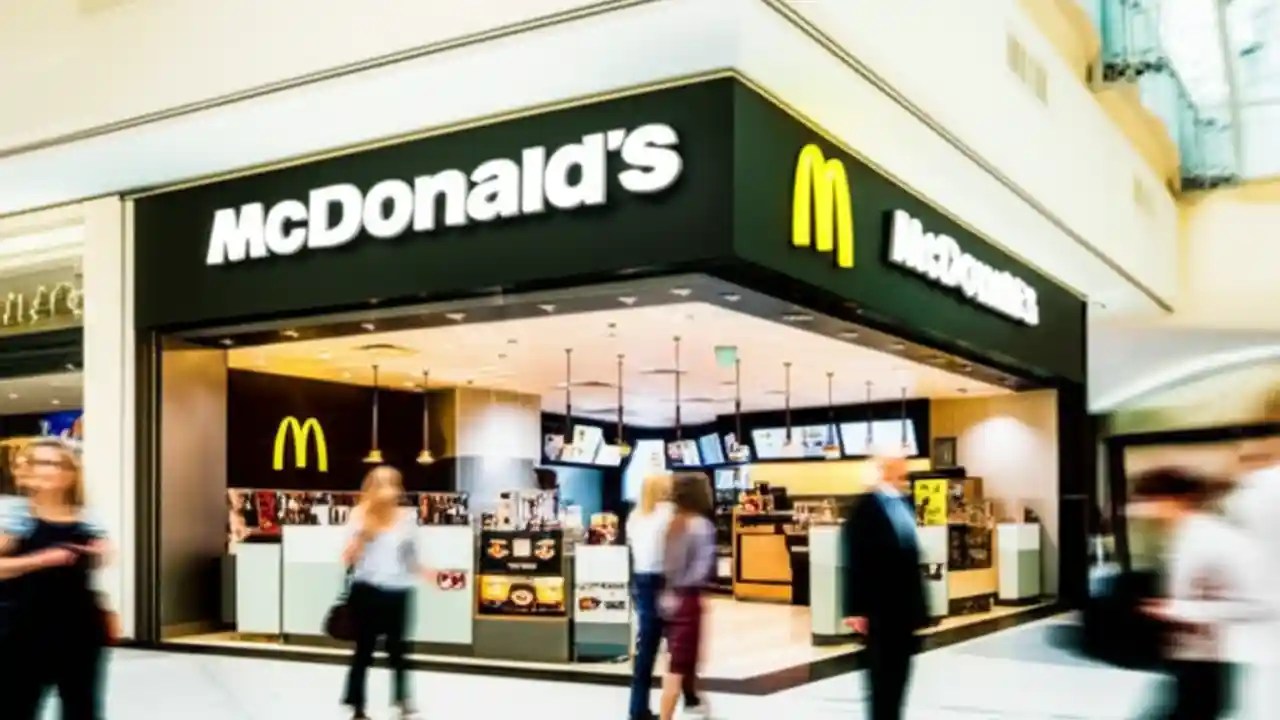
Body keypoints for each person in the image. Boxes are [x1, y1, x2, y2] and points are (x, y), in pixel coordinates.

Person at [1132, 467, 1267, 719]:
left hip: (1212, 661)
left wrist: (1179, 611)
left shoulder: (1214, 538)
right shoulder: (1183, 535)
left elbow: (1256, 605)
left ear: (1172, 499)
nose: (1142, 510)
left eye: (1146, 500)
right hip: (1188, 658)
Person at [0, 437, 111, 720]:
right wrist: (42, 559)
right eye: (38, 462)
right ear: (25, 470)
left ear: (71, 473)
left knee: (82, 707)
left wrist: (100, 553)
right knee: (17, 705)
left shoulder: (87, 518)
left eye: (55, 463)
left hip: (81, 628)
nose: (47, 470)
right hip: (22, 630)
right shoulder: (13, 514)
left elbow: (101, 560)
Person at [341, 466, 434, 720]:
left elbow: (410, 558)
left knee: (399, 651)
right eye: (382, 483)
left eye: (393, 483)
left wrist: (429, 573)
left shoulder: (407, 518)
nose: (389, 489)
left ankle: (403, 700)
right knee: (363, 651)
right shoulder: (358, 516)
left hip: (398, 592)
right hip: (367, 591)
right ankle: (357, 707)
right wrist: (363, 536)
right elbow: (347, 558)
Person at [841, 448, 926, 720]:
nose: (902, 470)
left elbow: (912, 558)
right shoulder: (865, 508)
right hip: (879, 608)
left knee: (900, 676)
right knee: (881, 678)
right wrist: (855, 607)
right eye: (896, 465)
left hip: (905, 608)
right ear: (883, 469)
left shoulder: (906, 503)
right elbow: (854, 559)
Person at [658, 472, 716, 720]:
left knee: (680, 659)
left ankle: (693, 700)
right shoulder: (701, 526)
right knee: (679, 666)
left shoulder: (672, 524)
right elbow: (701, 569)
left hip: (668, 598)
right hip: (688, 600)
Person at [626, 474, 674, 720]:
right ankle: (682, 701)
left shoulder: (634, 516)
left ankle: (637, 709)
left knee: (646, 649)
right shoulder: (669, 513)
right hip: (664, 581)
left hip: (641, 581)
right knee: (679, 647)